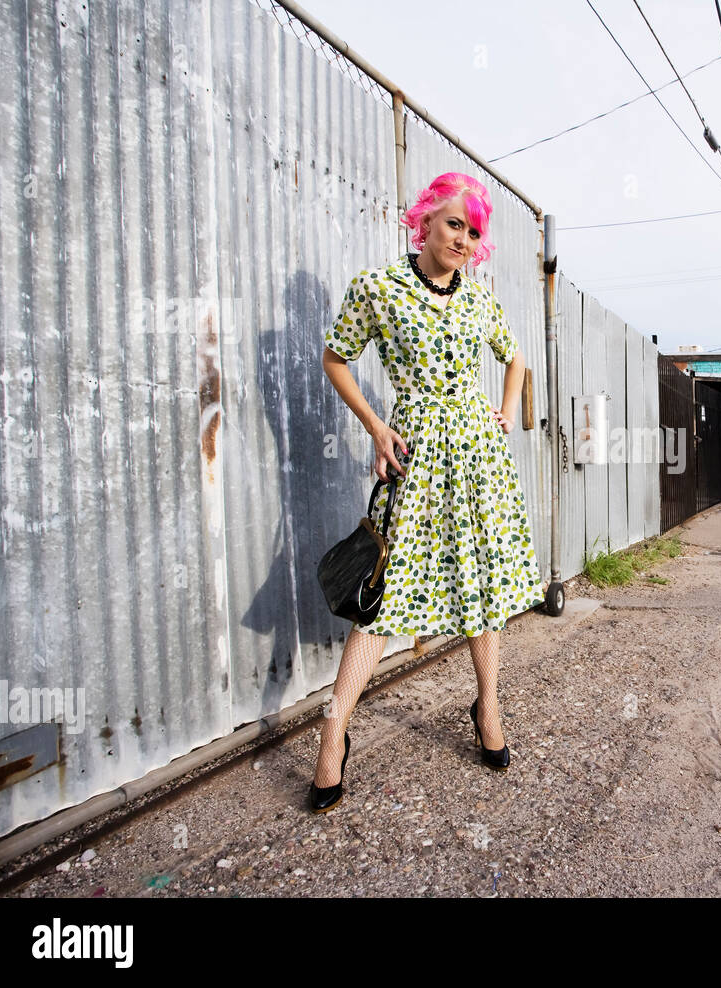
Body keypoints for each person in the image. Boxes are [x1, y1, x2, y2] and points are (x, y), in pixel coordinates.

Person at [308, 172, 546, 813]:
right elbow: (335, 357)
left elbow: (515, 356)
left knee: (484, 587)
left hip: (478, 462)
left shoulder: (478, 300)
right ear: (424, 222)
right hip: (414, 455)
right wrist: (376, 426)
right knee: (382, 600)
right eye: (453, 224)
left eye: (473, 230)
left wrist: (505, 408)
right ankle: (333, 738)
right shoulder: (379, 288)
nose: (463, 239)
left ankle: (488, 706)